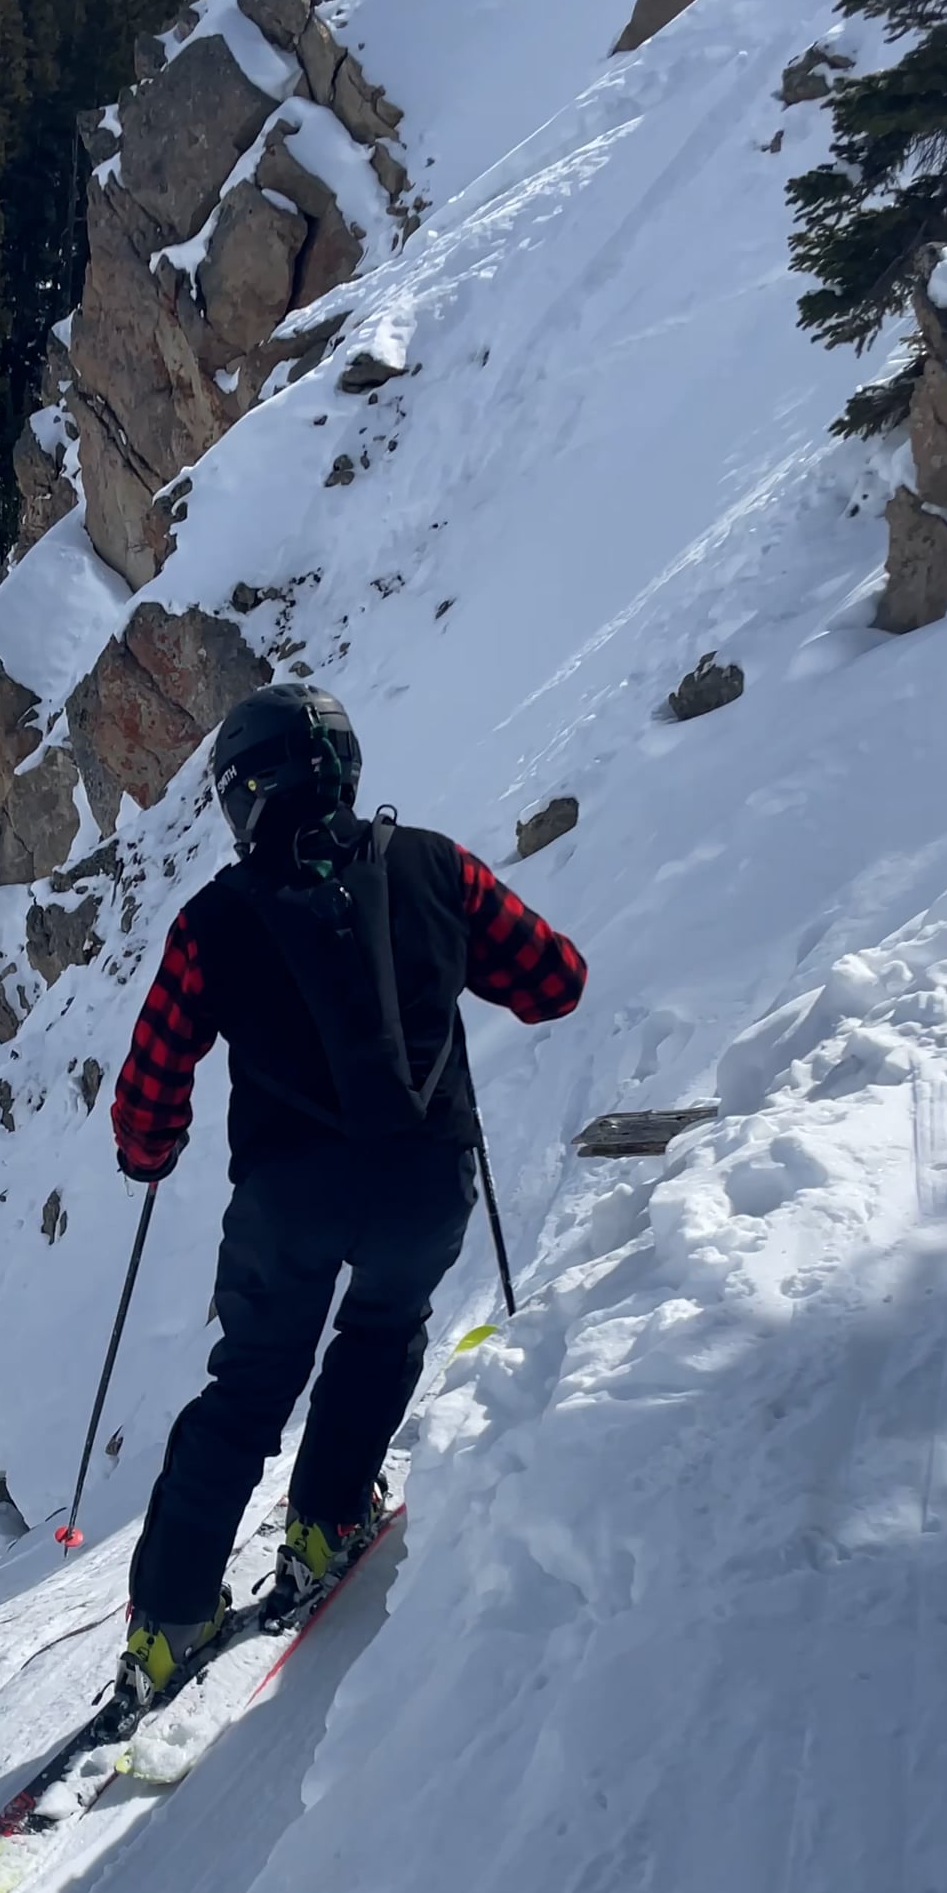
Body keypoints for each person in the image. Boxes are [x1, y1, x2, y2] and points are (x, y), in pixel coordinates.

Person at [109, 681, 587, 1704]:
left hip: (290, 1196)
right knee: (383, 1331)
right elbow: (555, 983)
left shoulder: (213, 921)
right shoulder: (434, 865)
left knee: (247, 1393)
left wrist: (150, 1152)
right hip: (427, 1176)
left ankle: (170, 1625)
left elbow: (152, 1081)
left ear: (245, 792)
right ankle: (327, 1524)